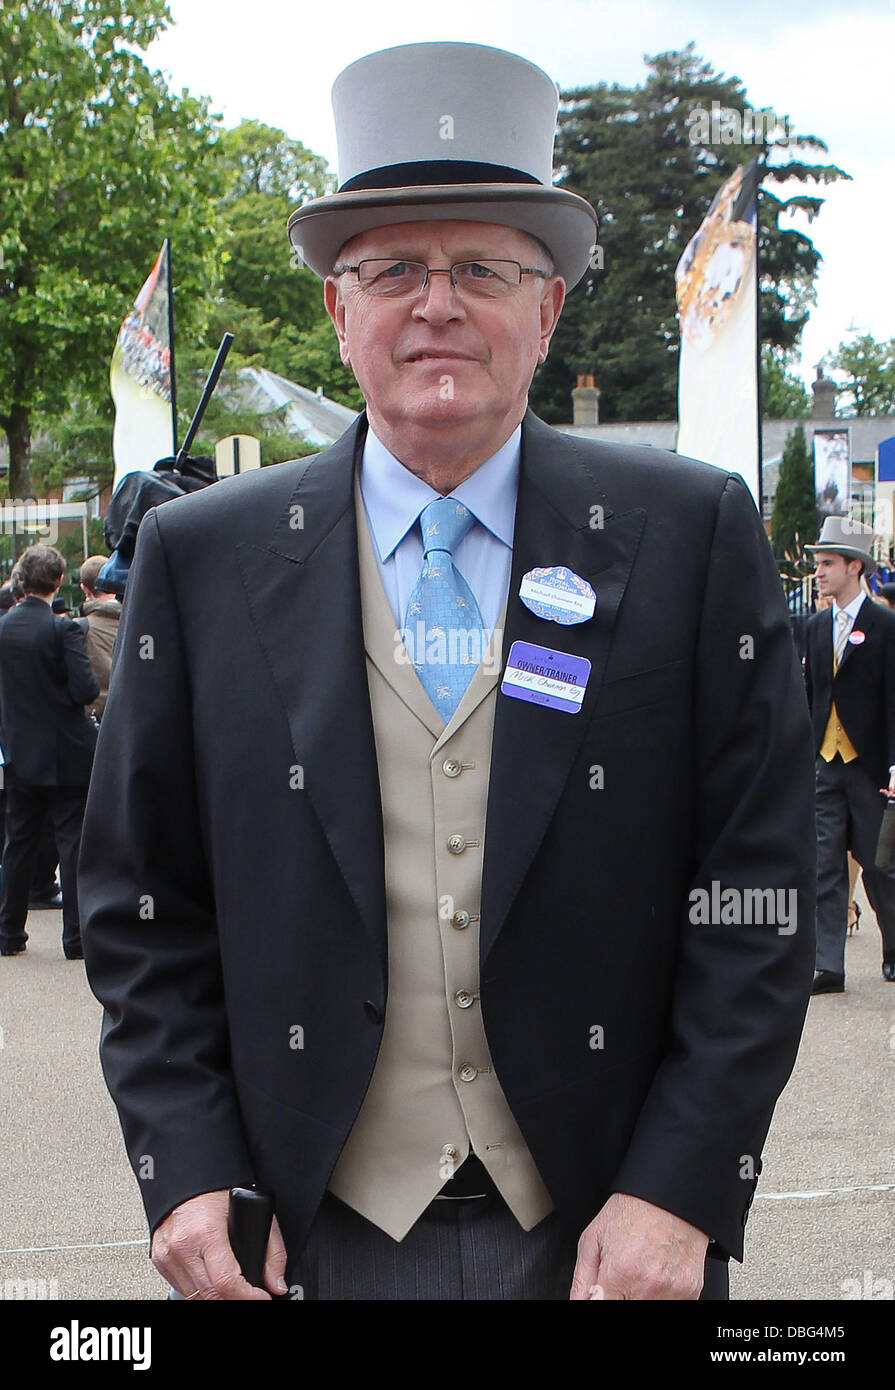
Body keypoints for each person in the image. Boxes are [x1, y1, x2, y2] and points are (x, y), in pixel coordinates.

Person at [79, 42, 815, 1302]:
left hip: (605, 1236)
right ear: (336, 309)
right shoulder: (203, 559)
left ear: (548, 309)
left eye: (483, 267)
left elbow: (753, 888)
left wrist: (681, 1186)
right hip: (311, 1236)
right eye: (393, 269)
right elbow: (140, 902)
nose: (437, 303)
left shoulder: (691, 534)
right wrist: (187, 1163)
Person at [804, 515, 895, 991]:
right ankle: (828, 965)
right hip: (825, 764)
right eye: (817, 564)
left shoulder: (885, 625)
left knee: (879, 864)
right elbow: (811, 695)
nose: (818, 573)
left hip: (871, 766)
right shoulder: (817, 627)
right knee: (824, 865)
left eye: (827, 563)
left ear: (854, 567)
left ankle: (894, 947)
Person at [0, 545, 98, 958]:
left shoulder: (3, 629)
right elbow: (86, 689)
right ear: (58, 581)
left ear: (21, 579)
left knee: (18, 841)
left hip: (20, 751)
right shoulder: (64, 630)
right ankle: (75, 937)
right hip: (66, 752)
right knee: (72, 841)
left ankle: (8, 932)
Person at [78, 555, 123, 723]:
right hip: (134, 720)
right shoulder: (139, 621)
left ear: (85, 589)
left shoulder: (79, 629)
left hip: (98, 723)